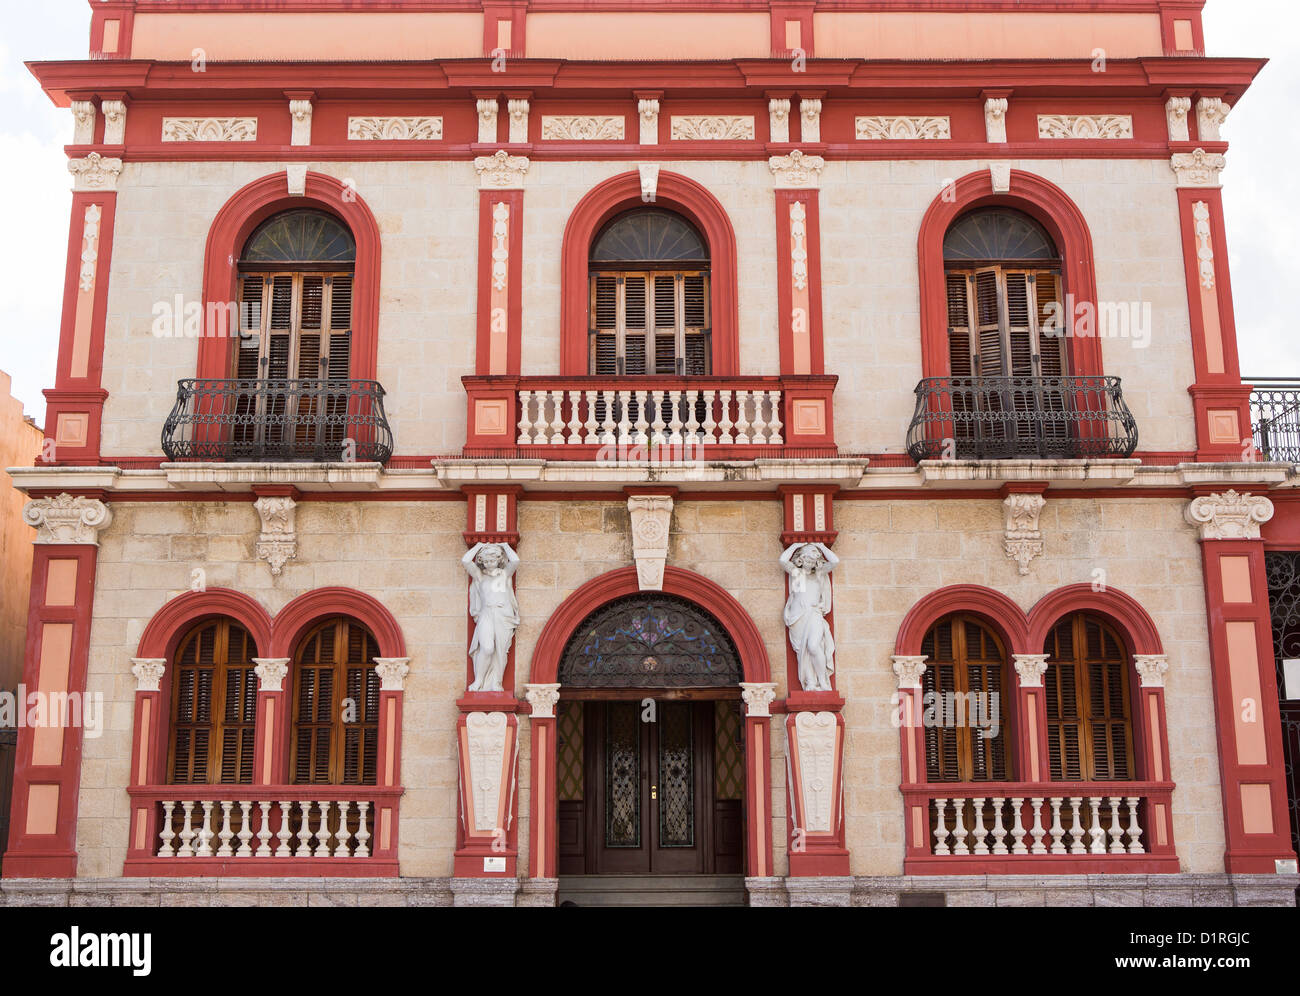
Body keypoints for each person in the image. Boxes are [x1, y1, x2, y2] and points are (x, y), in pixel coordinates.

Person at [780, 541, 839, 692]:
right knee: (802, 651)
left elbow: (835, 561)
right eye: (809, 555)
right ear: (802, 558)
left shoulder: (819, 574)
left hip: (814, 614)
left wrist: (822, 546)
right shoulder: (796, 573)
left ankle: (822, 681)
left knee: (813, 646)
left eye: (815, 555)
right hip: (797, 616)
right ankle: (810, 683)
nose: (811, 559)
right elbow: (782, 560)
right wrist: (794, 546)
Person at [461, 542, 521, 692]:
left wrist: (505, 545)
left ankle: (497, 682)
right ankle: (479, 681)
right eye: (486, 561)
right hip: (486, 614)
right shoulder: (479, 576)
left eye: (492, 560)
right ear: (481, 561)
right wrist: (478, 546)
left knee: (501, 651)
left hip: (503, 615)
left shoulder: (505, 574)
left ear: (499, 560)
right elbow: (466, 561)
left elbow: (515, 561)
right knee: (487, 648)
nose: (489, 564)